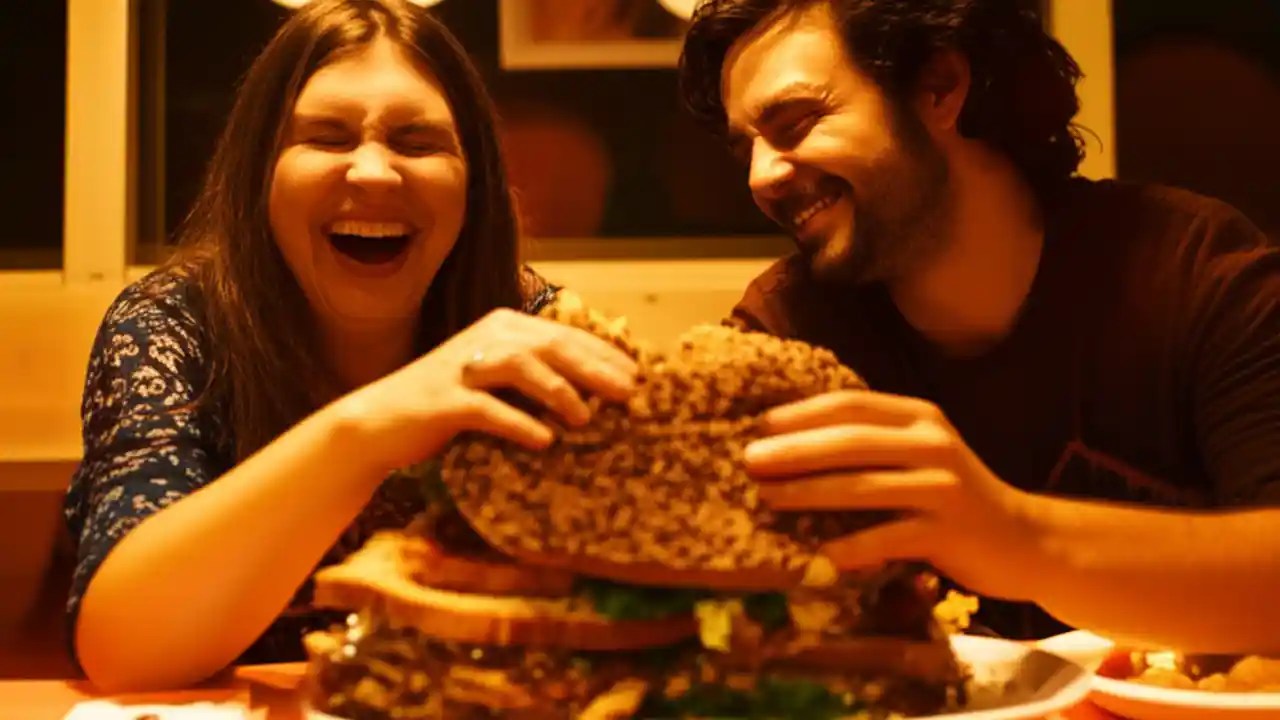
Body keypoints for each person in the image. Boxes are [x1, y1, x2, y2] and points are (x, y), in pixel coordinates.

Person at [64, 0, 637, 692]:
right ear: (260, 174)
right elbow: (125, 650)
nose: (372, 172)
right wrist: (370, 429)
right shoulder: (174, 325)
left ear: (473, 183)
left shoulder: (534, 334)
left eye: (418, 142)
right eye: (327, 138)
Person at [677, 0, 1280, 653]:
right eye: (747, 149)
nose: (761, 176)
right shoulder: (790, 329)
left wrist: (1014, 535)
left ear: (939, 88)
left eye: (795, 123)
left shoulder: (1191, 273)